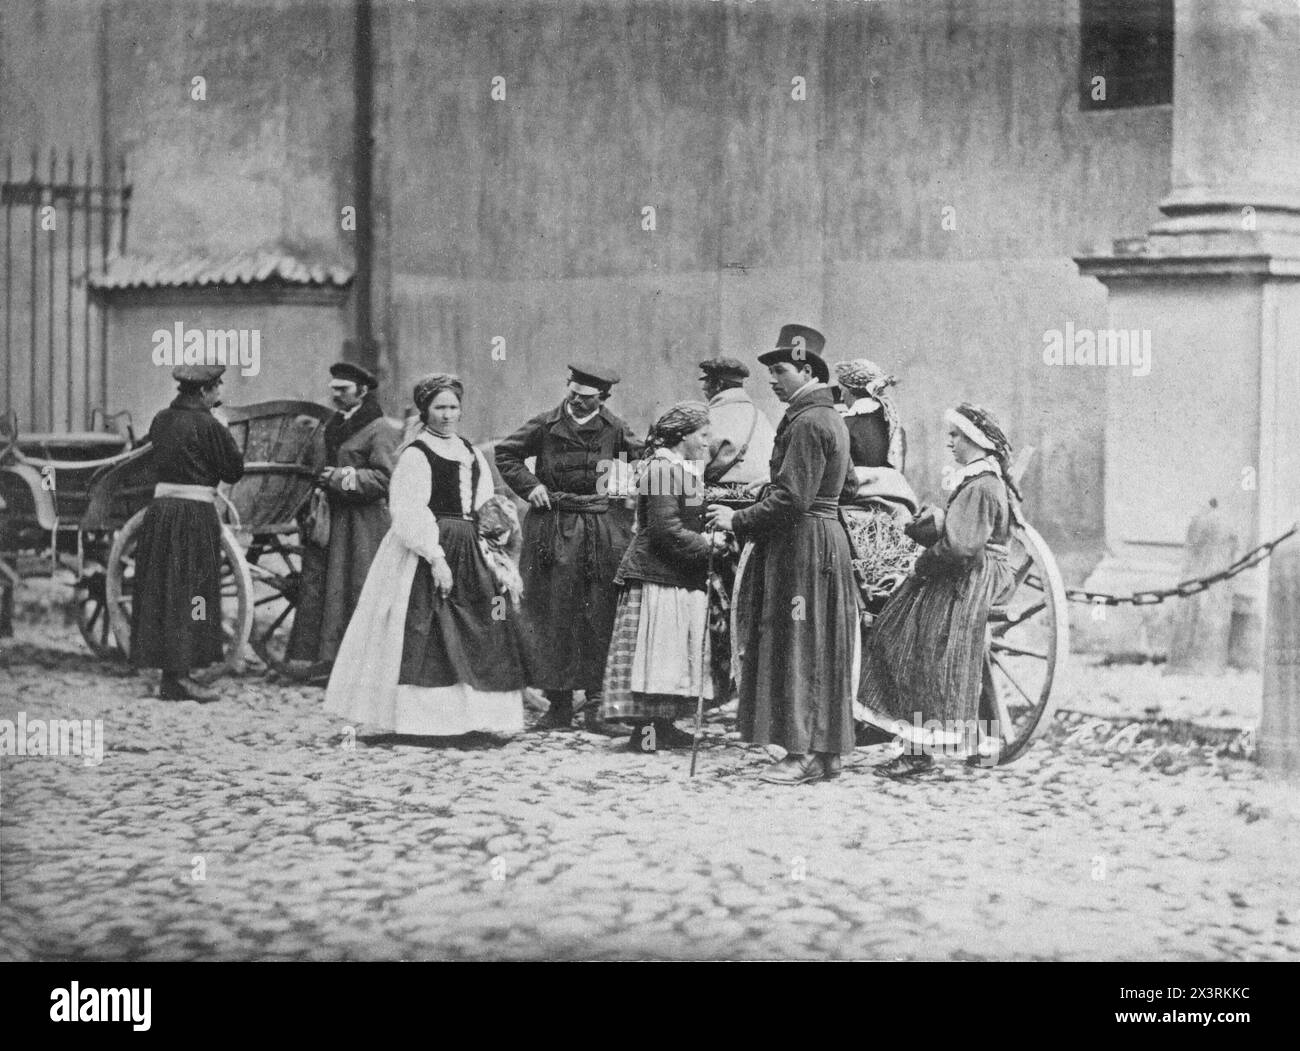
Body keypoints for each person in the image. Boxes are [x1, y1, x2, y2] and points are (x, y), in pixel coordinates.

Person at [324, 374, 529, 739]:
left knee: (481, 627)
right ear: (426, 411)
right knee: (423, 628)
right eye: (440, 408)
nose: (448, 415)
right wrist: (434, 557)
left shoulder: (470, 452)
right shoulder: (416, 454)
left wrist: (493, 540)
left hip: (470, 546)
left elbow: (482, 503)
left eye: (453, 407)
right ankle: (420, 721)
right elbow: (407, 509)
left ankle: (478, 717)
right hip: (425, 547)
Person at [706, 325, 859, 785]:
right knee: (820, 644)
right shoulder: (828, 417)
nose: (770, 379)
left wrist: (736, 519)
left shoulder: (808, 421)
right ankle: (826, 753)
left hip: (802, 544)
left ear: (806, 370)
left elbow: (792, 500)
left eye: (779, 370)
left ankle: (801, 754)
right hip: (825, 539)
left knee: (797, 644)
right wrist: (773, 486)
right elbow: (845, 484)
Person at [858, 403, 1020, 779]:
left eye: (956, 436)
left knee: (909, 638)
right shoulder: (985, 480)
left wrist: (920, 564)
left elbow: (961, 548)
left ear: (976, 441)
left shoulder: (981, 485)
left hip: (967, 576)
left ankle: (916, 753)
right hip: (978, 570)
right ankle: (978, 745)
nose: (950, 442)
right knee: (915, 631)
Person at [495, 364, 643, 732]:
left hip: (599, 531)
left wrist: (626, 493)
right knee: (551, 611)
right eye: (573, 394)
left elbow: (644, 462)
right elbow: (506, 453)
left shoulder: (617, 428)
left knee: (598, 612)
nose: (577, 402)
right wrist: (530, 487)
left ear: (603, 398)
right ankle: (557, 704)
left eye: (587, 398)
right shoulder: (545, 424)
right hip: (552, 527)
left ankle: (596, 706)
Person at [601, 402, 728, 752]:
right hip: (657, 574)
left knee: (667, 658)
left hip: (676, 574)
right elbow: (664, 530)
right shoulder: (660, 469)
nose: (708, 442)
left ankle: (663, 727)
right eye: (702, 435)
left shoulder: (679, 469)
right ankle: (644, 733)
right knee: (653, 657)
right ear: (682, 436)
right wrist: (709, 547)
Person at [130, 364, 245, 701]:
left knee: (164, 591)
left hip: (161, 514)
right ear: (205, 392)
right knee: (195, 594)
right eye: (217, 388)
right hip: (194, 516)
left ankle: (173, 673)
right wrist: (223, 433)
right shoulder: (210, 424)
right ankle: (180, 676)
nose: (219, 394)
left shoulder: (161, 419)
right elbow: (234, 471)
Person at [285, 361, 402, 673]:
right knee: (325, 588)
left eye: (343, 390)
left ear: (362, 391)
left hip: (363, 524)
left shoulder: (381, 429)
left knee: (355, 588)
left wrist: (339, 477)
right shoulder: (333, 425)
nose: (336, 395)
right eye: (333, 389)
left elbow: (385, 478)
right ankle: (328, 661)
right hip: (330, 519)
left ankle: (361, 665)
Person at [697, 356, 777, 486]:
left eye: (707, 381)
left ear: (718, 385)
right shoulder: (760, 415)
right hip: (762, 497)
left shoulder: (710, 417)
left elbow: (694, 466)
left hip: (722, 500)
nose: (703, 387)